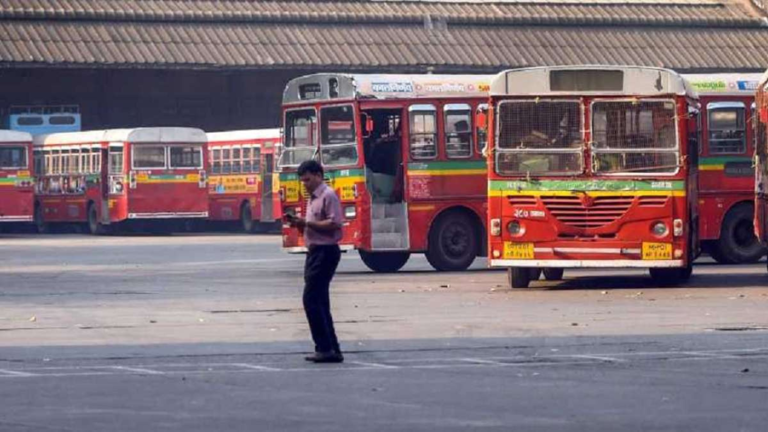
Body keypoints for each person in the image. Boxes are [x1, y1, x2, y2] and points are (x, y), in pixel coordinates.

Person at [284, 160, 344, 363]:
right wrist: (299, 224)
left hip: (326, 252)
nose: (305, 184)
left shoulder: (328, 195)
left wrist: (307, 223)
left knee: (311, 299)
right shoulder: (312, 199)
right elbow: (312, 226)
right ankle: (331, 348)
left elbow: (334, 223)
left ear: (319, 175)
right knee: (320, 301)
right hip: (314, 251)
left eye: (308, 179)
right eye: (303, 181)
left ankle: (324, 347)